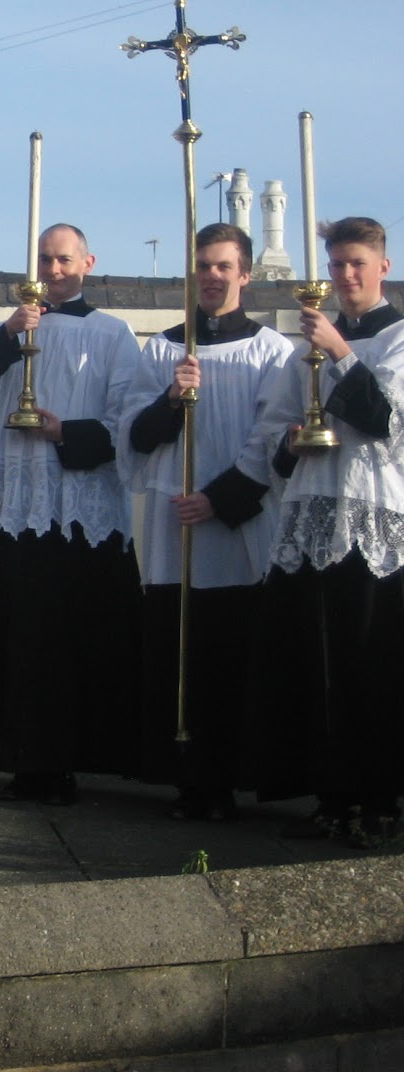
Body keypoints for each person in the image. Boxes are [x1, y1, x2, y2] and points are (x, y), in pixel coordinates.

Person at [0, 223, 142, 805]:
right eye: (44, 260)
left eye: (63, 260)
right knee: (13, 637)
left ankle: (65, 762)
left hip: (73, 513)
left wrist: (64, 431)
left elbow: (126, 422)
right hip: (11, 509)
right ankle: (18, 759)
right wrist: (7, 337)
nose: (54, 270)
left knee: (65, 642)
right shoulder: (10, 331)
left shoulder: (111, 334)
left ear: (87, 262)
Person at [119, 223, 292, 821]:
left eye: (223, 267)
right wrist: (170, 399)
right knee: (178, 653)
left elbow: (272, 437)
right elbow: (133, 435)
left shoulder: (270, 351)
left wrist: (218, 500)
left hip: (235, 524)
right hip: (173, 526)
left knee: (229, 652)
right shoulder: (165, 349)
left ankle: (228, 776)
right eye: (202, 266)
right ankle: (186, 778)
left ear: (245, 273)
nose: (212, 277)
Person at [245, 216, 401, 844]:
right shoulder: (303, 348)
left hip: (375, 521)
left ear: (383, 267)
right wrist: (287, 442)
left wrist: (338, 351)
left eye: (357, 263)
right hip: (313, 514)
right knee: (321, 661)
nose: (346, 275)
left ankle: (381, 796)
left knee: (375, 661)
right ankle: (331, 795)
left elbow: (383, 422)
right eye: (336, 264)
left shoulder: (394, 341)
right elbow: (275, 437)